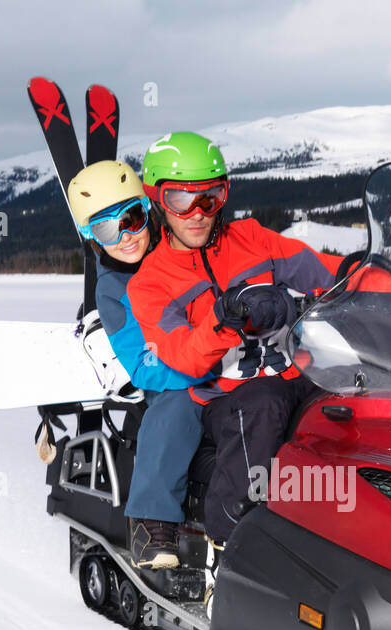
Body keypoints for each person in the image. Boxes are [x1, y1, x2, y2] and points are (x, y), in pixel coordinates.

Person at [127, 132, 346, 543]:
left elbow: (329, 273)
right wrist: (223, 317)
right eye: (180, 200)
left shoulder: (252, 240)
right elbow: (182, 356)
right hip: (224, 395)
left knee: (354, 395)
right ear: (157, 200)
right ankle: (230, 538)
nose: (196, 213)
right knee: (261, 404)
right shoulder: (152, 282)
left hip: (294, 375)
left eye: (209, 197)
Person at [66, 160, 214, 568]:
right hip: (170, 376)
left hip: (226, 358)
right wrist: (198, 365)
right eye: (106, 229)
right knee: (176, 410)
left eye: (131, 219)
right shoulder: (112, 291)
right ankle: (152, 524)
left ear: (148, 211)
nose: (126, 236)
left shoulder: (181, 248)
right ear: (89, 236)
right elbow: (142, 363)